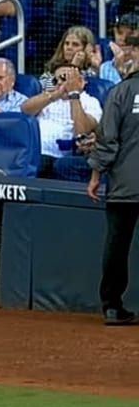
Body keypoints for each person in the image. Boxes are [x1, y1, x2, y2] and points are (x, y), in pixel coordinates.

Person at [87, 28, 139, 325]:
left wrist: (96, 175)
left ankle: (112, 306)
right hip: (126, 182)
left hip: (124, 183)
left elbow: (107, 140)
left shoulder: (119, 92)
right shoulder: (119, 90)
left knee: (117, 247)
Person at [22, 62, 102, 179]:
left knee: (42, 163)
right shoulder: (48, 97)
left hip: (61, 155)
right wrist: (55, 95)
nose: (59, 83)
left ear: (81, 81)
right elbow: (25, 110)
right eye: (55, 80)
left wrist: (74, 94)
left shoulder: (90, 102)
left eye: (64, 79)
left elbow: (82, 132)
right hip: (34, 152)